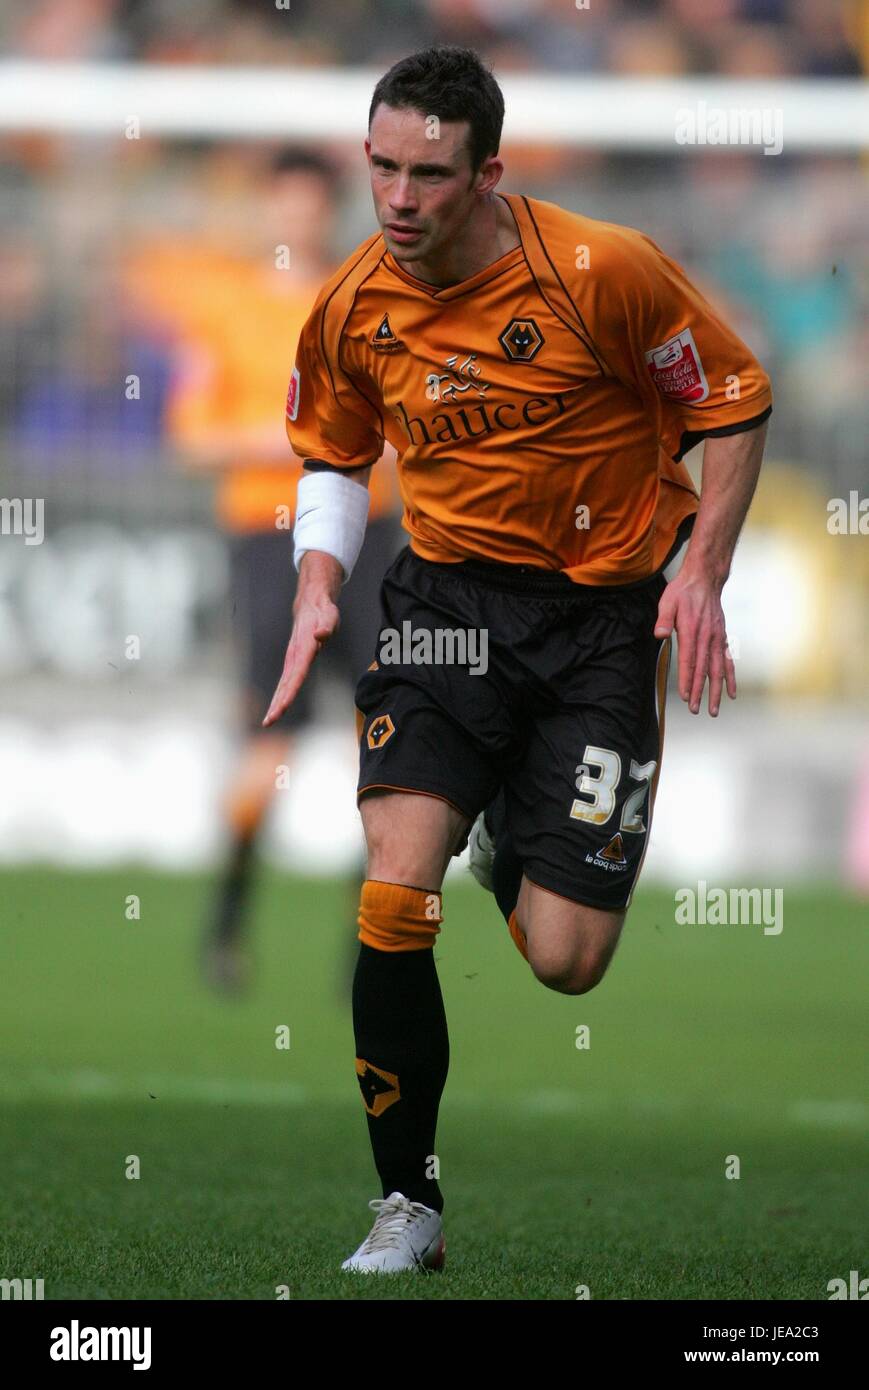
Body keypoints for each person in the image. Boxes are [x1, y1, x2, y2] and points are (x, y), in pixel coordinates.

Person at [263, 46, 772, 1272]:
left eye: (427, 174)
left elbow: (735, 402)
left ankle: (507, 842)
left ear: (488, 173)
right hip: (441, 608)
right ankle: (408, 1203)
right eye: (379, 165)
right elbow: (331, 453)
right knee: (394, 886)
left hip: (602, 622)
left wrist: (698, 570)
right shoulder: (350, 306)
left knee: (565, 962)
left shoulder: (605, 273)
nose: (395, 196)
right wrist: (317, 583)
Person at [151, 148, 400, 990]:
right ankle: (227, 927)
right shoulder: (226, 309)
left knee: (386, 741)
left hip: (368, 540)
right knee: (269, 737)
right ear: (266, 211)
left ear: (327, 213)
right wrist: (288, 439)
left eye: (309, 207)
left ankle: (369, 942)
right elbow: (190, 437)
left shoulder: (366, 305)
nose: (295, 222)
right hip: (268, 536)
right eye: (282, 206)